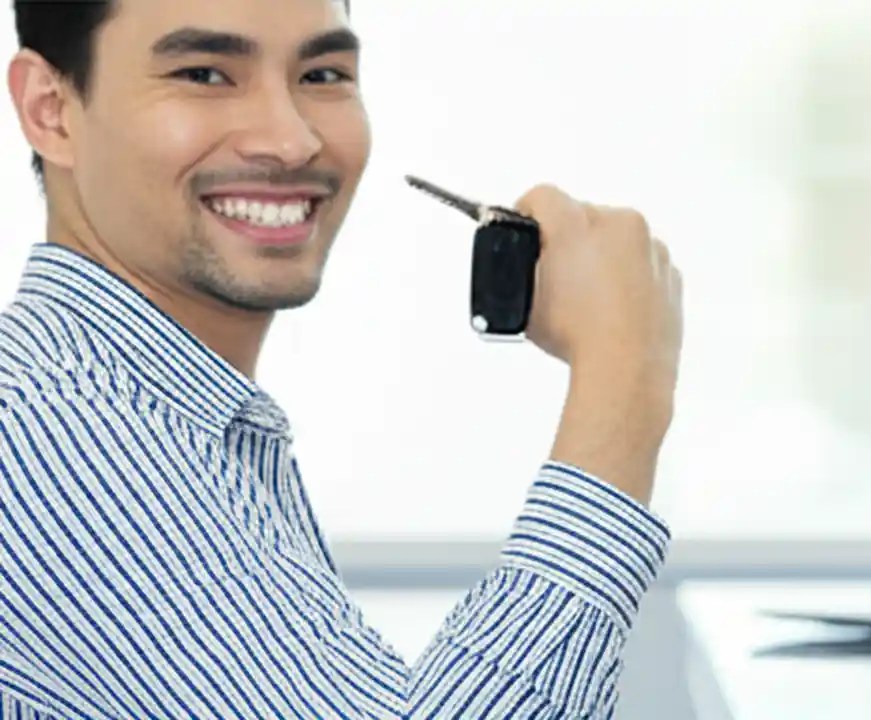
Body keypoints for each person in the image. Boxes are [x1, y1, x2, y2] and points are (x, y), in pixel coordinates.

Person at [1, 0, 684, 717]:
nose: (291, 140)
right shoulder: (54, 429)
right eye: (204, 73)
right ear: (51, 111)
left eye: (323, 73)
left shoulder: (169, 423)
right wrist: (624, 376)